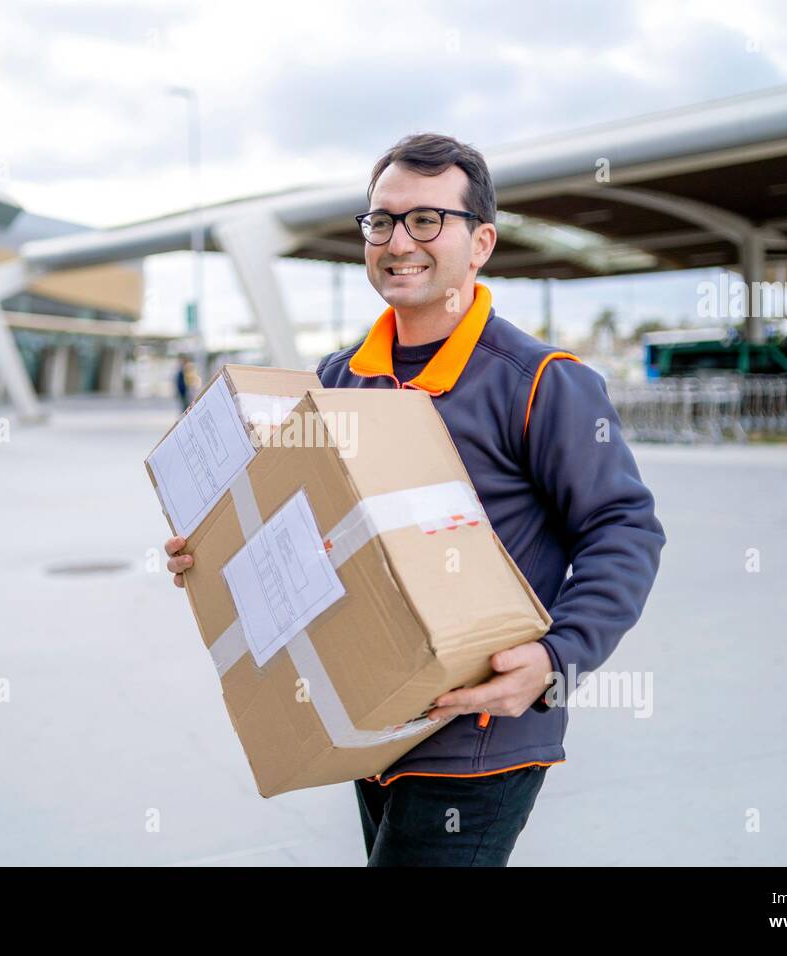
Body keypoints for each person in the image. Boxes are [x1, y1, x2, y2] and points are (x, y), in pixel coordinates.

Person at [163, 133, 665, 866]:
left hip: (480, 734)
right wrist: (210, 553)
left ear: (481, 241)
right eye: (381, 221)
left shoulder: (538, 380)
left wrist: (559, 658)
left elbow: (624, 528)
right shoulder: (339, 376)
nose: (399, 241)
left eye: (427, 220)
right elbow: (295, 519)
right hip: (372, 724)